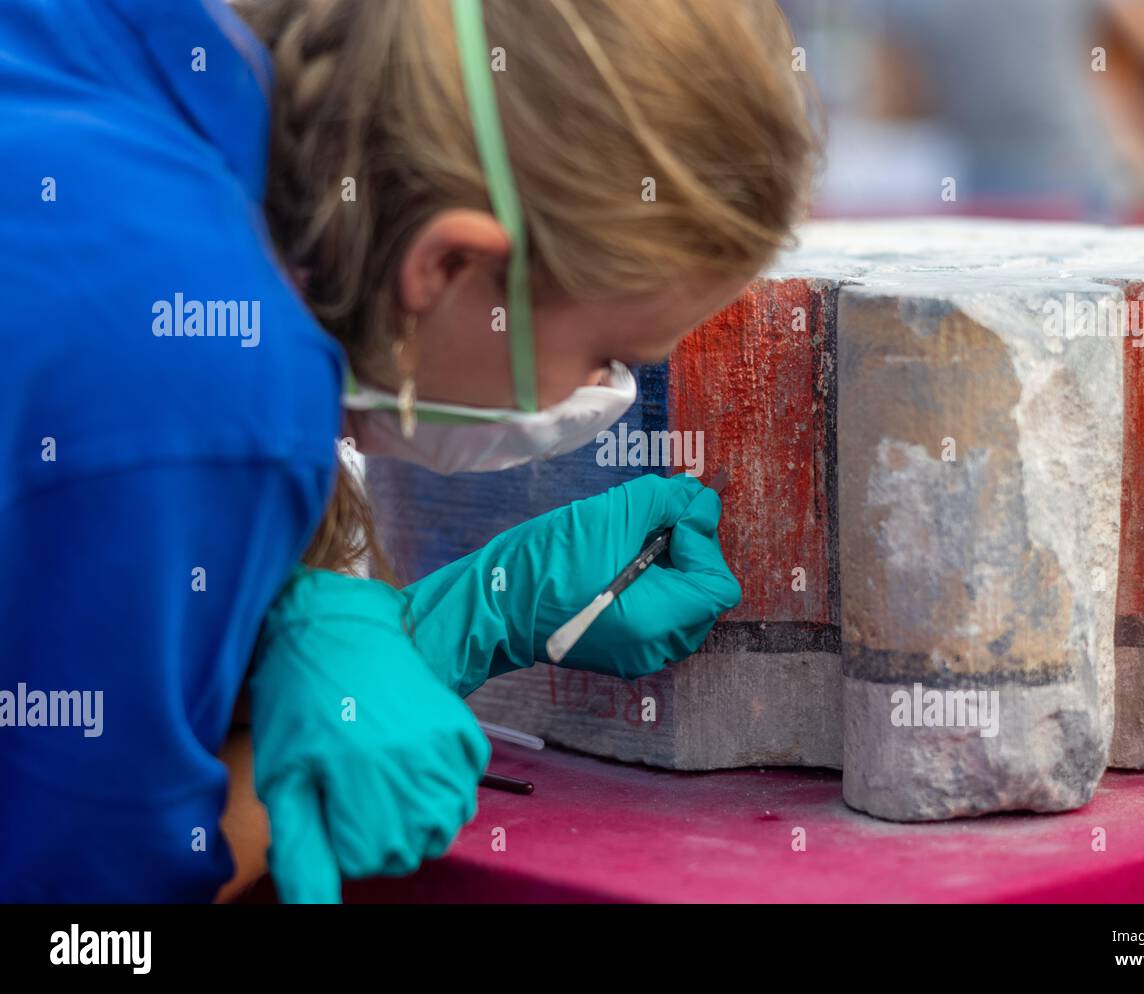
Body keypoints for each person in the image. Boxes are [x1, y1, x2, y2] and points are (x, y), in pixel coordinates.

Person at [0, 0, 817, 902]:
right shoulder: (200, 383)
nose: (603, 399)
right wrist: (300, 760)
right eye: (605, 357)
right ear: (447, 264)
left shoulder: (120, 51)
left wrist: (429, 622)